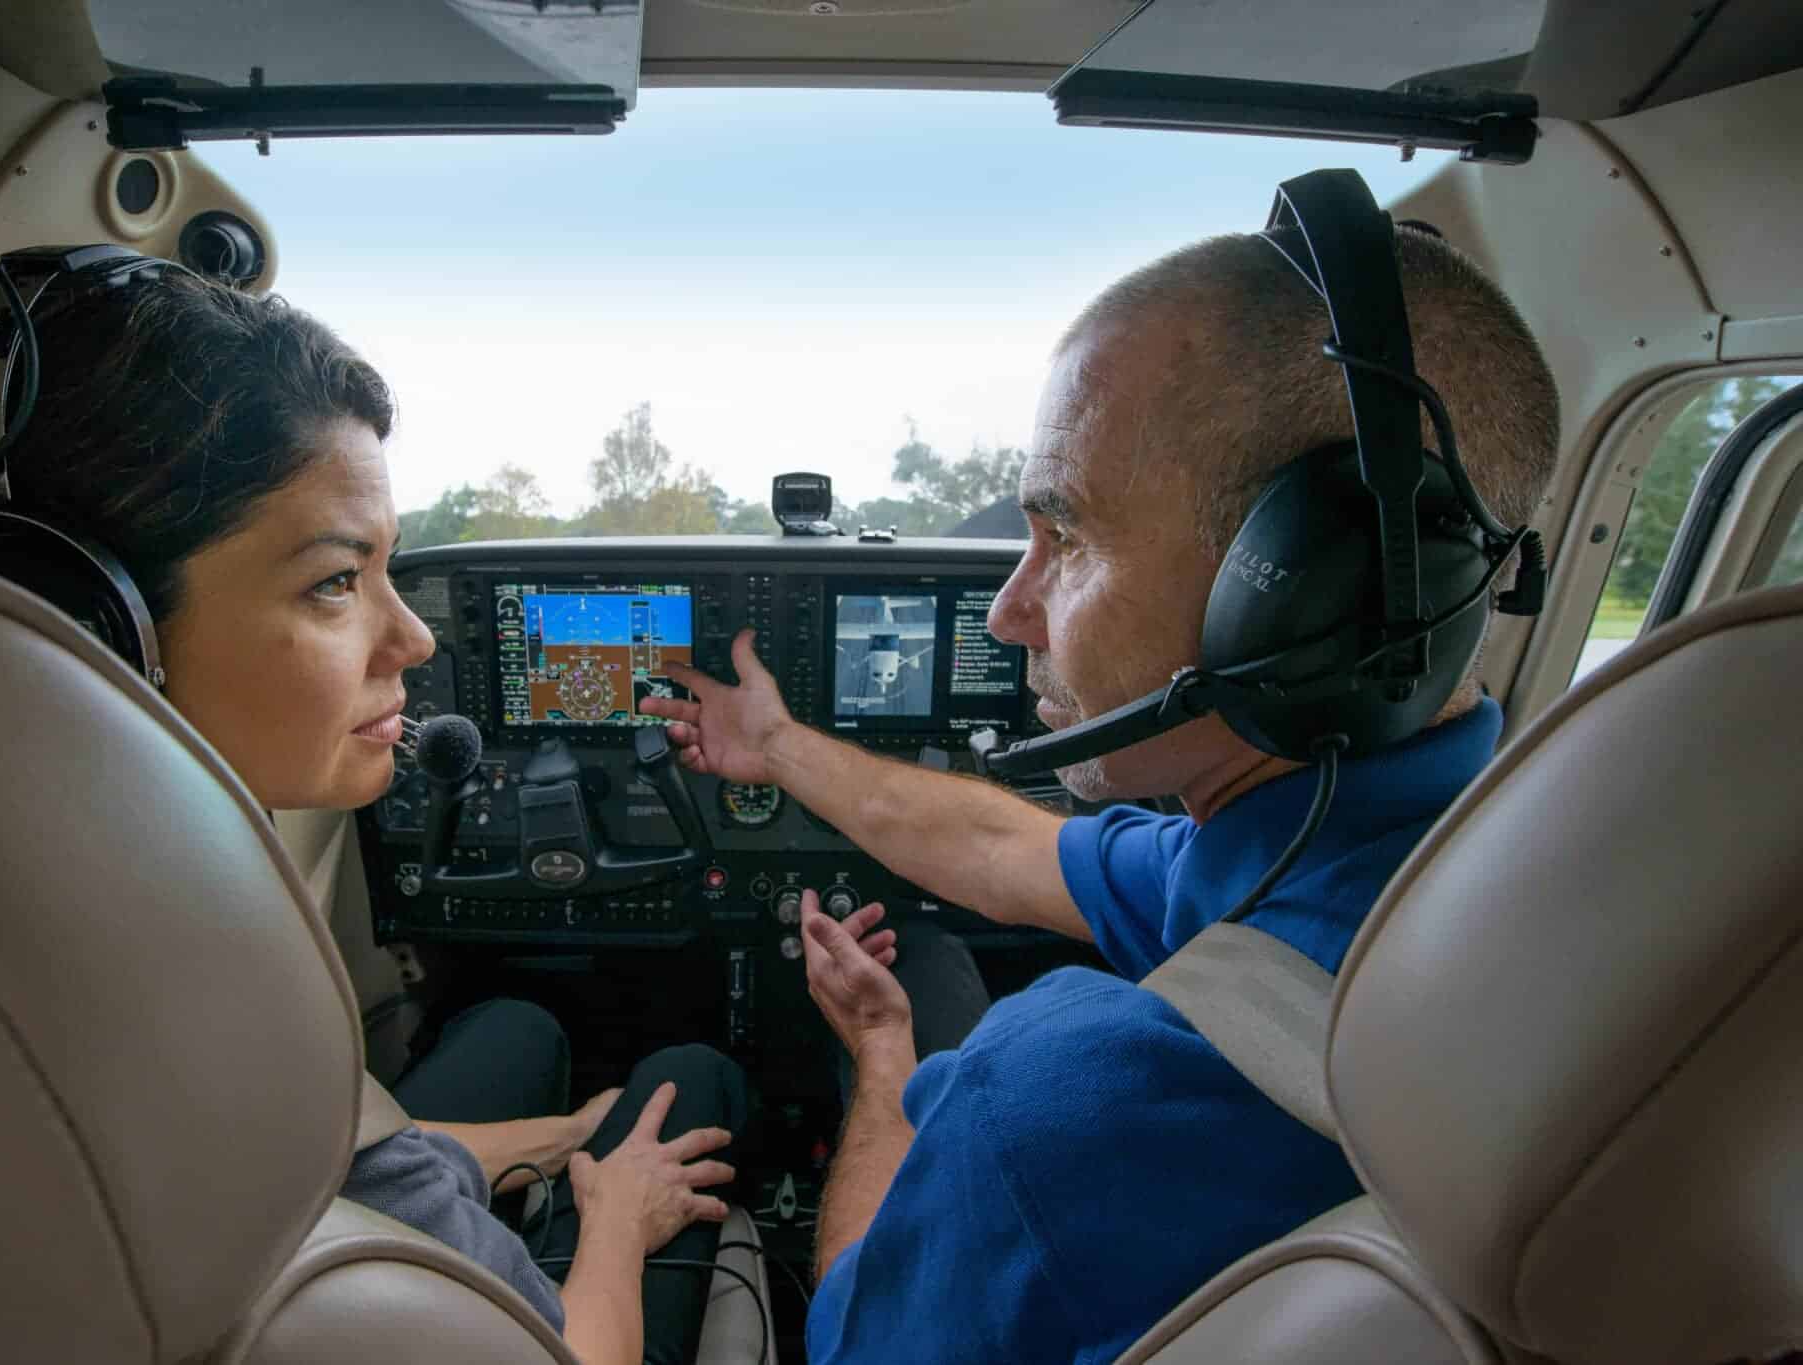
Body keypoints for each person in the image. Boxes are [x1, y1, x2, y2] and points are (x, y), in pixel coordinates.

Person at [640, 221, 1560, 1362]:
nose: (1006, 610)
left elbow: (852, 1332)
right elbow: (1007, 855)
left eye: (1063, 531)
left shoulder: (1045, 1114)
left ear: (1302, 590)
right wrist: (776, 744)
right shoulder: (1531, 868)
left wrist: (885, 1062)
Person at [0, 262, 748, 1365]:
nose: (412, 640)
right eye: (333, 582)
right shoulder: (213, 999)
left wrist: (553, 1142)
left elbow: (335, 1152)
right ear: (80, 624)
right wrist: (615, 1220)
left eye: (390, 572)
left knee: (522, 1033)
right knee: (687, 1083)